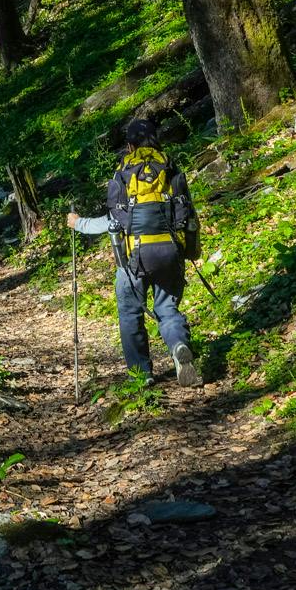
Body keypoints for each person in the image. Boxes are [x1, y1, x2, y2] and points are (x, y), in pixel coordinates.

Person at [66, 117, 202, 387]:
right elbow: (187, 215)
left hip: (133, 258)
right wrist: (192, 251)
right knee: (167, 309)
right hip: (170, 252)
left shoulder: (123, 174)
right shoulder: (171, 169)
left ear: (129, 146)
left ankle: (142, 374)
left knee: (130, 313)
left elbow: (114, 223)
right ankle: (177, 348)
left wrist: (78, 223)